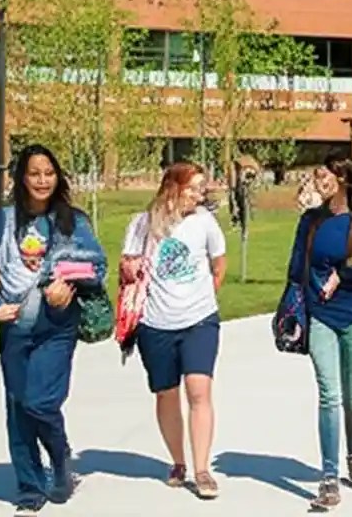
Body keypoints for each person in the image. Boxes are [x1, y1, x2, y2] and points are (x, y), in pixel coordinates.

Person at [0, 144, 107, 516]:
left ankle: (60, 457)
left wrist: (69, 283)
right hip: (15, 328)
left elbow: (97, 267)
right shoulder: (1, 223)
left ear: (57, 177)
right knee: (18, 409)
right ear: (22, 178)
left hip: (57, 329)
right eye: (34, 173)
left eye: (49, 173)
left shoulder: (73, 221)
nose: (43, 180)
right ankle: (29, 487)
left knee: (40, 402)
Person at [288, 155, 352, 509]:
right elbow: (295, 267)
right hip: (320, 315)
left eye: (325, 175)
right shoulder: (311, 221)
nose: (318, 180)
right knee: (329, 395)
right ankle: (329, 478)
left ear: (343, 179)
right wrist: (296, 306)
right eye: (316, 175)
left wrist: (343, 275)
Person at [120, 162, 227, 498]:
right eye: (192, 188)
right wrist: (129, 268)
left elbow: (219, 264)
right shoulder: (142, 224)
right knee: (166, 393)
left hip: (199, 320)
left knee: (199, 390)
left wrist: (203, 299)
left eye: (201, 188)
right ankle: (178, 462)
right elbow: (127, 267)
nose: (198, 195)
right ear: (172, 188)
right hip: (155, 324)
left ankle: (202, 470)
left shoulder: (205, 222)